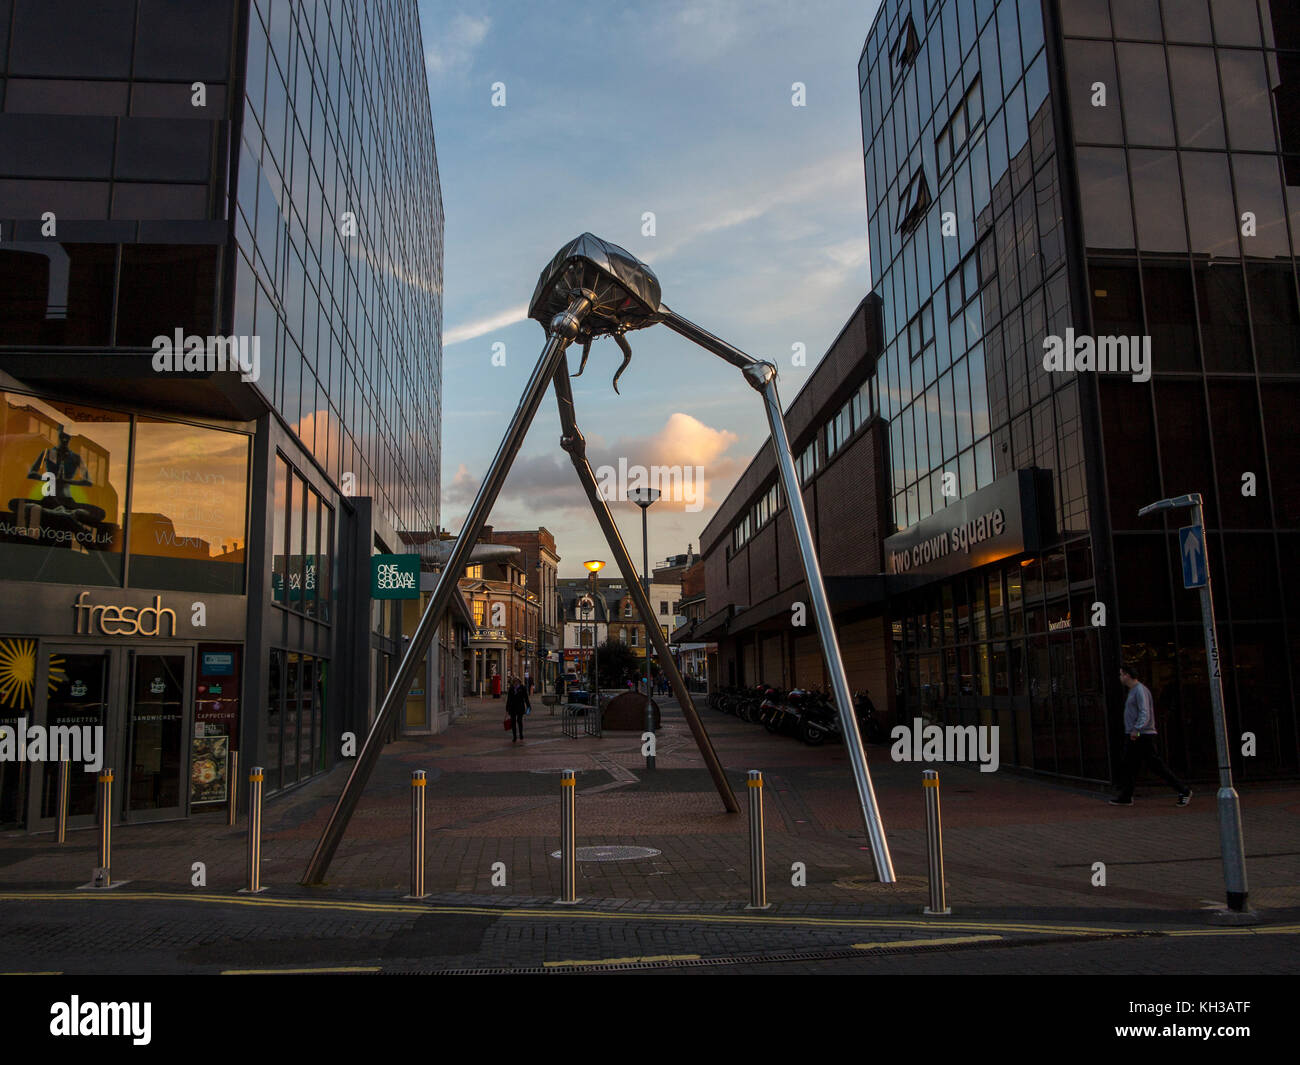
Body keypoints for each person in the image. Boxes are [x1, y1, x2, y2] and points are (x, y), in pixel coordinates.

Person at [1110, 664, 1192, 807]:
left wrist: (1137, 729)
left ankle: (1183, 790)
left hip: (1142, 735)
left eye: (1121, 674)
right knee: (1130, 765)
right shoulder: (1134, 691)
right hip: (1135, 734)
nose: (1120, 677)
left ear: (1127, 675)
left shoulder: (1139, 690)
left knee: (1154, 765)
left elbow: (1144, 712)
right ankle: (1126, 795)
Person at [505, 675, 531, 743]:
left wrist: (528, 706)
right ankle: (514, 736)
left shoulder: (522, 688)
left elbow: (526, 698)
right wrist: (507, 708)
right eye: (514, 682)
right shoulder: (511, 688)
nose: (516, 683)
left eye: (517, 682)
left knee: (519, 721)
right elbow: (509, 699)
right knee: (513, 722)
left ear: (519, 682)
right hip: (512, 707)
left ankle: (521, 734)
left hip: (520, 707)